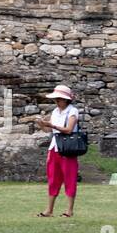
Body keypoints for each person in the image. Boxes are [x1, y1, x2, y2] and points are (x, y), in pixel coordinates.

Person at [35, 84, 80, 218]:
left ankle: (69, 210)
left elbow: (69, 129)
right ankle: (49, 210)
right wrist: (42, 125)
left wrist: (51, 125)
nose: (57, 102)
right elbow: (50, 131)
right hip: (55, 147)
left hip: (68, 149)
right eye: (56, 99)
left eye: (59, 99)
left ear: (66, 99)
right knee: (53, 178)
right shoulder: (55, 112)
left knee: (69, 178)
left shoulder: (73, 111)